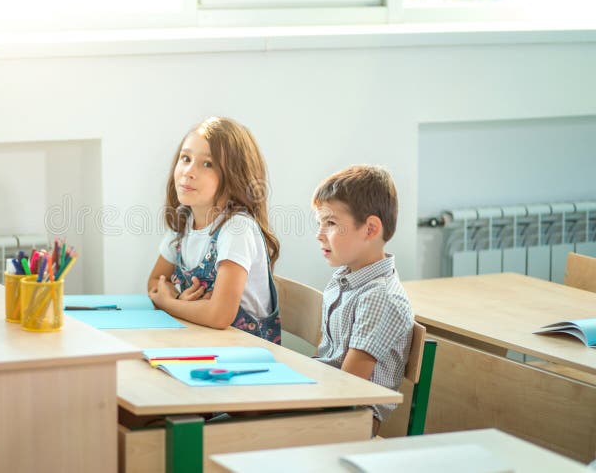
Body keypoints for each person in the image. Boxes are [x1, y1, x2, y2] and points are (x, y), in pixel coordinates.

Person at [147, 116, 281, 343]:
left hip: (246, 355)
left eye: (207, 164)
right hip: (202, 344)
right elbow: (154, 282)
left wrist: (170, 303)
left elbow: (219, 316)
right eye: (185, 158)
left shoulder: (236, 228)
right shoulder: (183, 221)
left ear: (234, 175)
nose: (189, 171)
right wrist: (178, 297)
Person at [312, 164, 413, 435]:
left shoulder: (380, 297)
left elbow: (349, 386)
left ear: (370, 229)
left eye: (330, 223)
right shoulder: (345, 279)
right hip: (327, 399)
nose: (319, 234)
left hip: (350, 418)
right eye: (319, 223)